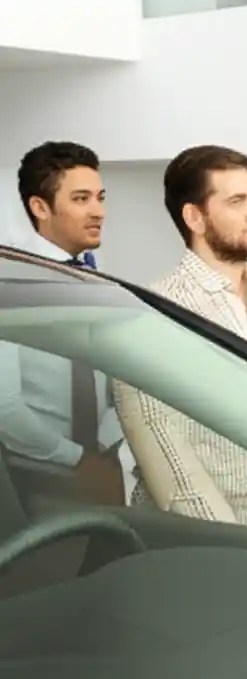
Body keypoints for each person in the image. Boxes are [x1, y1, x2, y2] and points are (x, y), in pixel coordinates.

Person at [112, 145, 247, 529]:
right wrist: (238, 548)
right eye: (237, 201)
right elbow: (167, 456)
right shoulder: (153, 316)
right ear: (195, 217)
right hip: (193, 546)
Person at [0, 141, 126, 506]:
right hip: (37, 473)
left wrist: (108, 452)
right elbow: (5, 407)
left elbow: (109, 373)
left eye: (100, 197)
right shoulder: (13, 282)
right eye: (81, 199)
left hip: (103, 463)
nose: (98, 211)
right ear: (40, 207)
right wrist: (78, 461)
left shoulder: (94, 276)